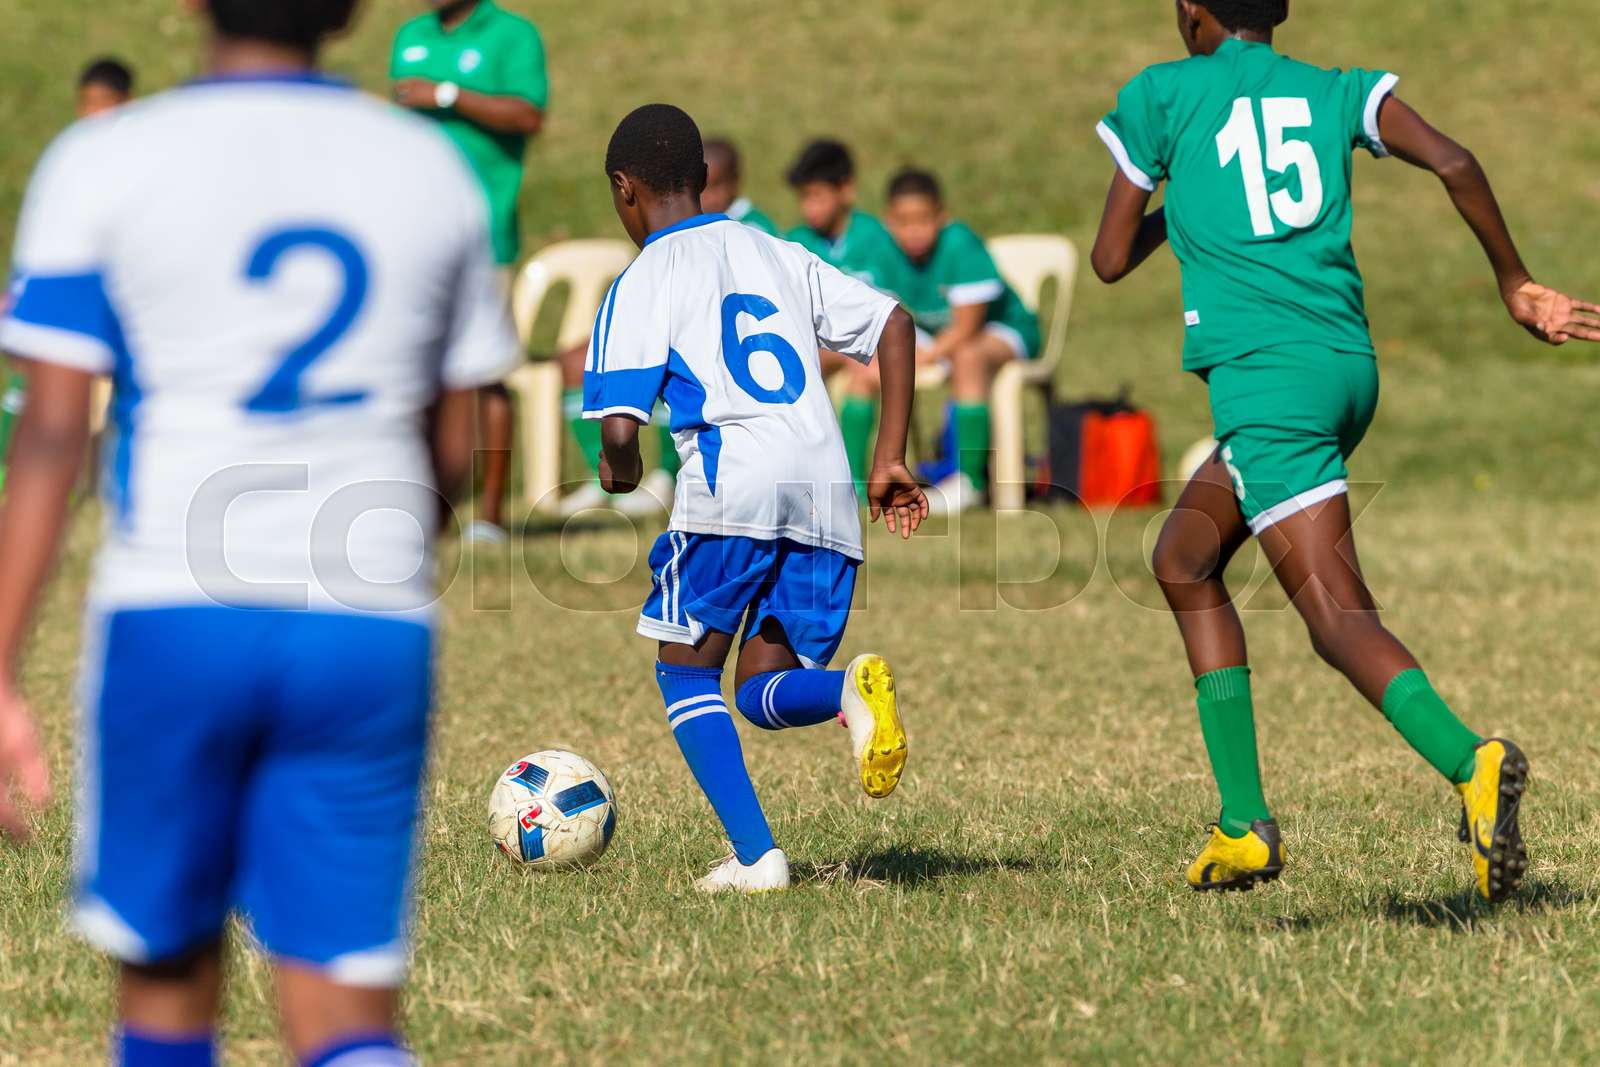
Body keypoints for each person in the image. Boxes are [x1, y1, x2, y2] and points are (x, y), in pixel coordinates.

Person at [0, 0, 518, 1062]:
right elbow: (457, 443)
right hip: (367, 623)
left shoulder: (104, 158)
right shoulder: (427, 169)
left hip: (173, 613)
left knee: (168, 981)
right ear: (351, 9)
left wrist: (1, 665)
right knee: (345, 1013)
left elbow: (53, 434)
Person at [1091, 0, 1600, 900]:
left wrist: (1185, 198)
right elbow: (1454, 159)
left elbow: (1107, 256)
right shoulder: (1334, 90)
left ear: (1191, 10)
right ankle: (1243, 823)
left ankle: (1471, 760)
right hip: (1344, 367)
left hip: (1266, 382)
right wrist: (1515, 283)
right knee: (1183, 555)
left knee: (1337, 617)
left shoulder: (1161, 94)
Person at [586, 104, 926, 893]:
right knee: (757, 689)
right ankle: (846, 689)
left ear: (624, 190)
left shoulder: (641, 280)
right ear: (704, 180)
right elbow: (895, 324)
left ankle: (755, 856)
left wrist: (620, 477)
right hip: (823, 489)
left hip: (730, 487)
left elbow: (618, 437)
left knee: (684, 672)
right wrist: (890, 457)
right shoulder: (777, 250)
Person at [555, 135, 782, 517]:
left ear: (729, 185)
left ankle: (664, 474)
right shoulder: (683, 230)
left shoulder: (752, 231)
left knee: (666, 359)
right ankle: (609, 481)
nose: (701, 198)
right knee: (576, 361)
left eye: (710, 189)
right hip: (681, 334)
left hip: (729, 350)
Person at [392, 0, 548, 543]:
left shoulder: (512, 34)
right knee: (412, 370)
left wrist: (448, 95)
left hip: (485, 232)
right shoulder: (410, 35)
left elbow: (530, 115)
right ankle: (421, 506)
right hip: (414, 234)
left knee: (487, 373)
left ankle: (489, 515)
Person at [880, 168, 1041, 513]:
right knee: (868, 368)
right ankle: (855, 481)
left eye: (923, 219)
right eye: (904, 221)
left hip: (1003, 330)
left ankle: (970, 481)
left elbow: (968, 326)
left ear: (941, 216)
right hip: (943, 338)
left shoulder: (959, 243)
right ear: (889, 221)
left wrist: (928, 354)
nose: (914, 230)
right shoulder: (885, 252)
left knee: (968, 354)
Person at [784, 139, 905, 492]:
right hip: (819, 346)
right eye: (804, 197)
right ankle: (795, 477)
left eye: (817, 195)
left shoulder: (877, 238)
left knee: (863, 369)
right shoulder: (795, 242)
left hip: (871, 347)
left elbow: (892, 312)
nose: (810, 208)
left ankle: (849, 484)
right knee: (787, 370)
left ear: (846, 190)